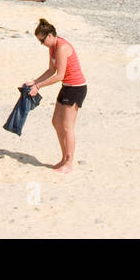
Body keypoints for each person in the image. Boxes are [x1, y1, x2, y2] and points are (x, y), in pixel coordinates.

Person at [26, 19, 86, 173]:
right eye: (39, 41)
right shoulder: (52, 48)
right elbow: (51, 70)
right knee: (56, 122)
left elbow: (60, 75)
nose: (42, 43)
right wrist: (34, 81)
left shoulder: (62, 47)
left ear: (51, 35)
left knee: (67, 127)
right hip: (66, 87)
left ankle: (69, 163)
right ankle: (64, 158)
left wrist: (38, 87)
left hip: (76, 88)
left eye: (43, 40)